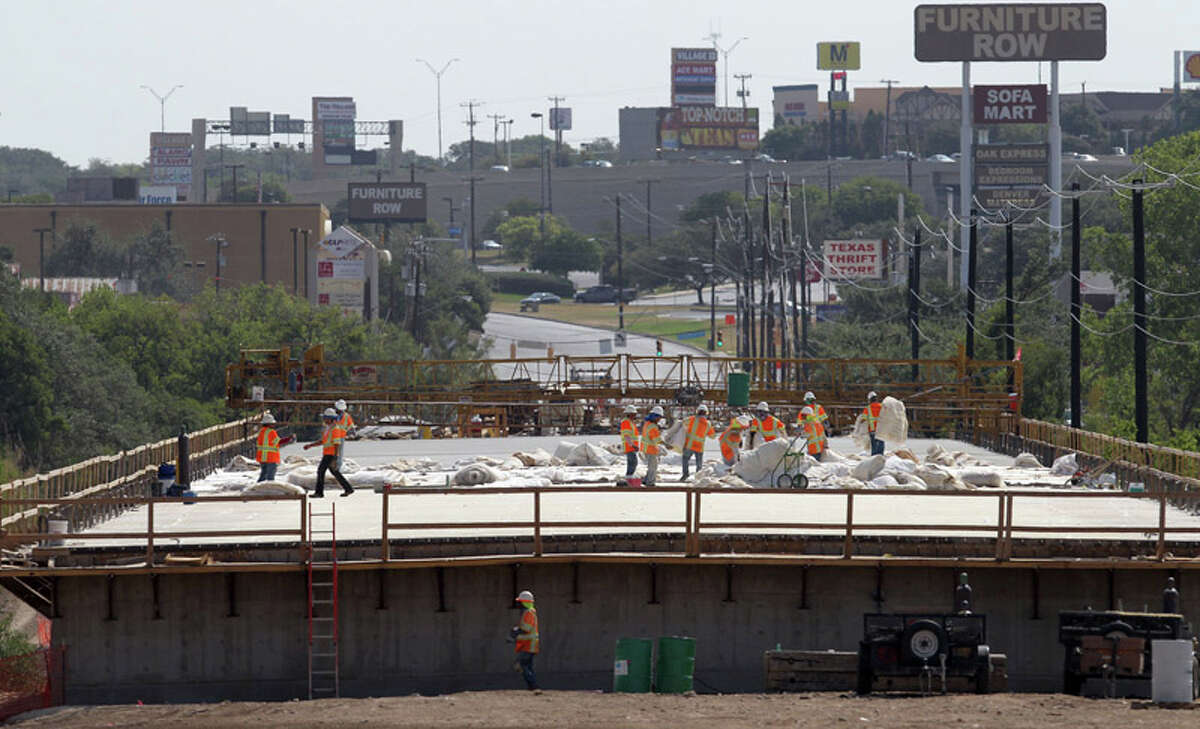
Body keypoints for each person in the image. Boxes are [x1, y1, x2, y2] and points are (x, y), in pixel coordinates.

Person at [303, 408, 354, 498]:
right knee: (335, 472)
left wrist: (335, 458)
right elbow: (323, 441)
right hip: (327, 453)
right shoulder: (328, 429)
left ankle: (319, 492)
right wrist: (311, 445)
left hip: (330, 454)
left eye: (326, 418)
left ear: (331, 419)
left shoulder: (335, 429)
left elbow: (337, 444)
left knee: (321, 471)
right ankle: (348, 489)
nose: (324, 420)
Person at [511, 589, 540, 691]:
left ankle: (534, 685)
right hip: (529, 644)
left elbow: (526, 629)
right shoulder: (529, 612)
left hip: (529, 645)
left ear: (525, 602)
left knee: (521, 665)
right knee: (528, 666)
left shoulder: (529, 613)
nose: (519, 604)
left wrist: (516, 631)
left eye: (520, 602)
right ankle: (532, 686)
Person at [254, 412, 293, 482]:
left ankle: (258, 488)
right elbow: (278, 442)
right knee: (270, 476)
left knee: (263, 475)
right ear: (269, 424)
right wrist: (289, 439)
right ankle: (269, 489)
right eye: (272, 423)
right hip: (270, 458)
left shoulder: (261, 432)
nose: (273, 424)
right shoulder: (271, 432)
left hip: (262, 458)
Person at [681, 404, 716, 481]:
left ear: (697, 412)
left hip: (689, 445)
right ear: (706, 413)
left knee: (685, 459)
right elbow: (713, 436)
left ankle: (685, 475)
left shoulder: (692, 419)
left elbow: (683, 422)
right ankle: (698, 478)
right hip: (699, 447)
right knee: (699, 464)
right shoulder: (708, 424)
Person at [640, 405, 665, 487]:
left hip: (646, 448)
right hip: (651, 450)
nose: (659, 419)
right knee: (653, 467)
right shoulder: (653, 426)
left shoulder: (647, 424)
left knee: (651, 466)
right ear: (655, 417)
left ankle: (646, 479)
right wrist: (666, 444)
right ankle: (650, 482)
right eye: (659, 418)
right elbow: (656, 440)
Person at [619, 405, 640, 478]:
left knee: (632, 463)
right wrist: (633, 445)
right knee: (633, 463)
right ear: (630, 414)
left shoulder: (630, 422)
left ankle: (629, 477)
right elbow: (627, 435)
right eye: (634, 414)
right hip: (630, 447)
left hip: (631, 447)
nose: (635, 415)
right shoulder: (626, 422)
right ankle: (629, 477)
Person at [334, 399, 355, 470]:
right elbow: (351, 425)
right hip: (340, 436)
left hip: (335, 437)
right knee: (339, 452)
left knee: (334, 452)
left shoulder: (333, 415)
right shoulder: (346, 416)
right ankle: (337, 466)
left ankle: (335, 466)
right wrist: (351, 431)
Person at [863, 391, 885, 455]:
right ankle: (881, 458)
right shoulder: (882, 407)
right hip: (881, 430)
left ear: (870, 399)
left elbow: (863, 419)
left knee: (874, 446)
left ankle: (874, 459)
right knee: (881, 445)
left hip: (872, 430)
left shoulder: (868, 408)